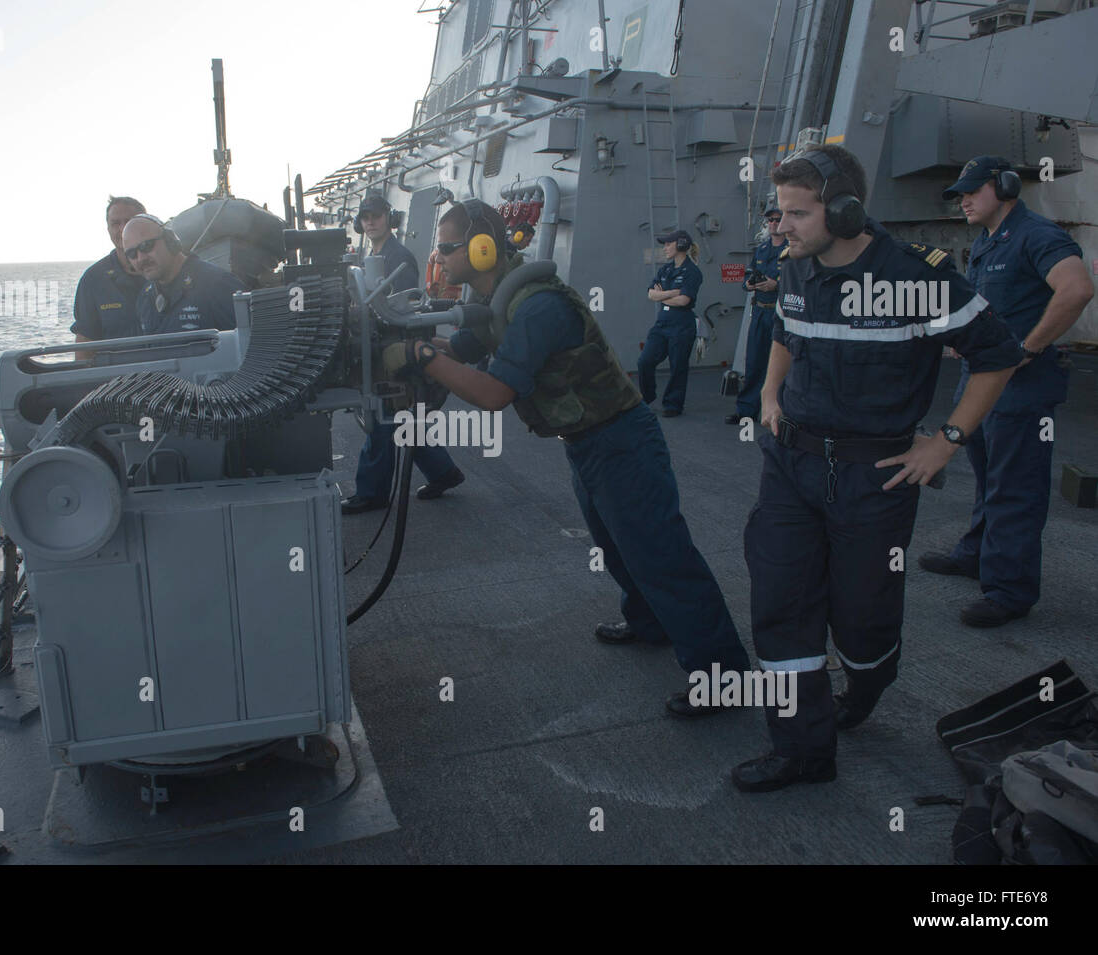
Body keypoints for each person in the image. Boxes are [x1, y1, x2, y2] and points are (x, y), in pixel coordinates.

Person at [733, 145, 1022, 793]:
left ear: (843, 211)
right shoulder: (798, 266)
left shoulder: (919, 276)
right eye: (779, 213)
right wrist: (770, 395)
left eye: (796, 214)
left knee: (863, 619)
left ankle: (864, 685)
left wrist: (946, 440)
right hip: (791, 466)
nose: (782, 227)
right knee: (780, 602)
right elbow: (785, 330)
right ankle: (802, 748)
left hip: (875, 479)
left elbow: (997, 356)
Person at [387, 200, 749, 715]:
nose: (439, 258)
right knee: (618, 547)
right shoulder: (498, 299)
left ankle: (724, 677)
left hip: (619, 440)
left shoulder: (535, 306)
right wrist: (415, 341)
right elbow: (466, 347)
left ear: (481, 248)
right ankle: (649, 623)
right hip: (588, 441)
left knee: (662, 555)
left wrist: (421, 357)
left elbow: (493, 394)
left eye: (446, 248)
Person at [919, 156, 1094, 627]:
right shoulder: (987, 242)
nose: (964, 200)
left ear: (1007, 186)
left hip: (1021, 387)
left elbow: (1076, 290)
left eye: (973, 190)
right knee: (989, 478)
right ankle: (976, 555)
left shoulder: (1036, 234)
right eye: (959, 194)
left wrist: (1026, 349)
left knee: (1015, 487)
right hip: (981, 381)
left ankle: (1009, 590)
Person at [342, 194, 464, 513]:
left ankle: (371, 493)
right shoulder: (376, 254)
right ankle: (444, 472)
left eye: (377, 215)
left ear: (389, 219)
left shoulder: (399, 257)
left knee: (381, 416)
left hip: (394, 349)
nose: (370, 221)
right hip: (380, 344)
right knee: (401, 419)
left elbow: (404, 308)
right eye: (365, 216)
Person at [121, 213, 245, 335]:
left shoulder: (217, 285)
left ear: (170, 241)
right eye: (132, 254)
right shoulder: (145, 299)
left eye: (146, 246)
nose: (141, 258)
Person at [726, 207, 786, 425]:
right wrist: (749, 284)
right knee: (754, 363)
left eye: (777, 220)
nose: (772, 224)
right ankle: (747, 412)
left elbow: (801, 282)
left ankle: (782, 413)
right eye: (769, 220)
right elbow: (748, 277)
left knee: (784, 365)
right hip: (760, 311)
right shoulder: (761, 250)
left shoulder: (793, 251)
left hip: (782, 313)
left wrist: (777, 285)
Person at [639, 230, 702, 417]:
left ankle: (673, 404)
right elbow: (651, 294)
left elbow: (683, 301)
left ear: (681, 245)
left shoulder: (692, 272)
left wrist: (662, 296)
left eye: (668, 244)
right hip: (662, 323)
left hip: (682, 323)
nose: (665, 248)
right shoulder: (665, 270)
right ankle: (647, 395)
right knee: (645, 361)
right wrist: (672, 293)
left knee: (678, 366)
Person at [72, 196, 148, 348]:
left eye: (128, 222)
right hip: (118, 370)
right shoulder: (93, 279)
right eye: (115, 223)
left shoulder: (169, 271)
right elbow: (85, 341)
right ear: (108, 229)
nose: (122, 229)